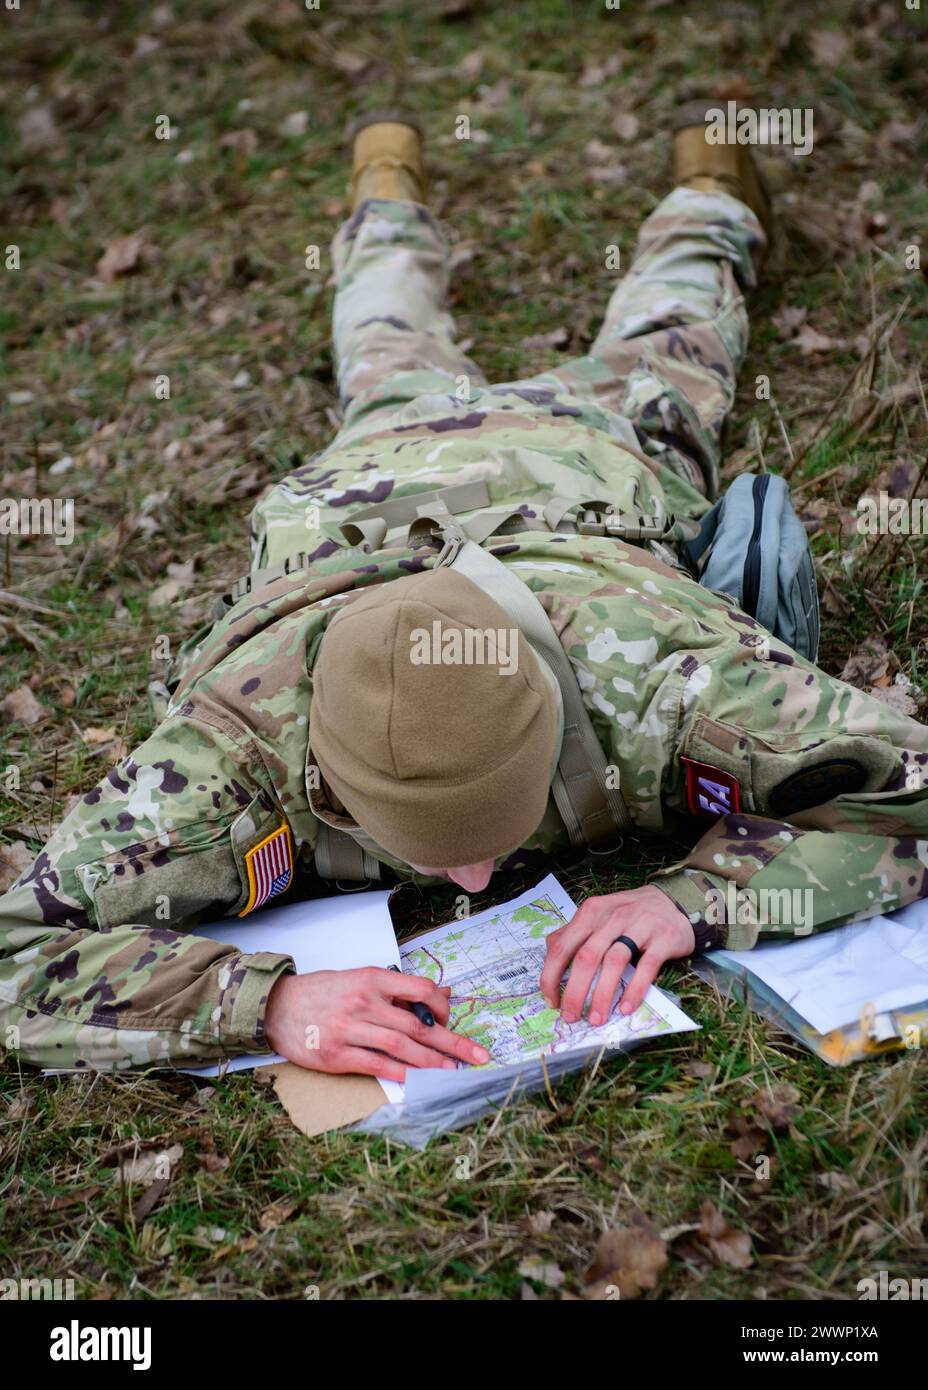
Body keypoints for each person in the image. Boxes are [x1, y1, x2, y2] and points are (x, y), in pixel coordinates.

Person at [2, 109, 926, 1083]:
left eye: (501, 826)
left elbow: (905, 789)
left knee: (675, 331)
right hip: (366, 487)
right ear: (321, 782)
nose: (482, 884)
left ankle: (710, 180)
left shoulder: (657, 671)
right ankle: (386, 183)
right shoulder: (225, 759)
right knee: (389, 348)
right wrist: (261, 1002)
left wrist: (693, 900)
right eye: (442, 855)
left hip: (571, 462)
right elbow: (16, 950)